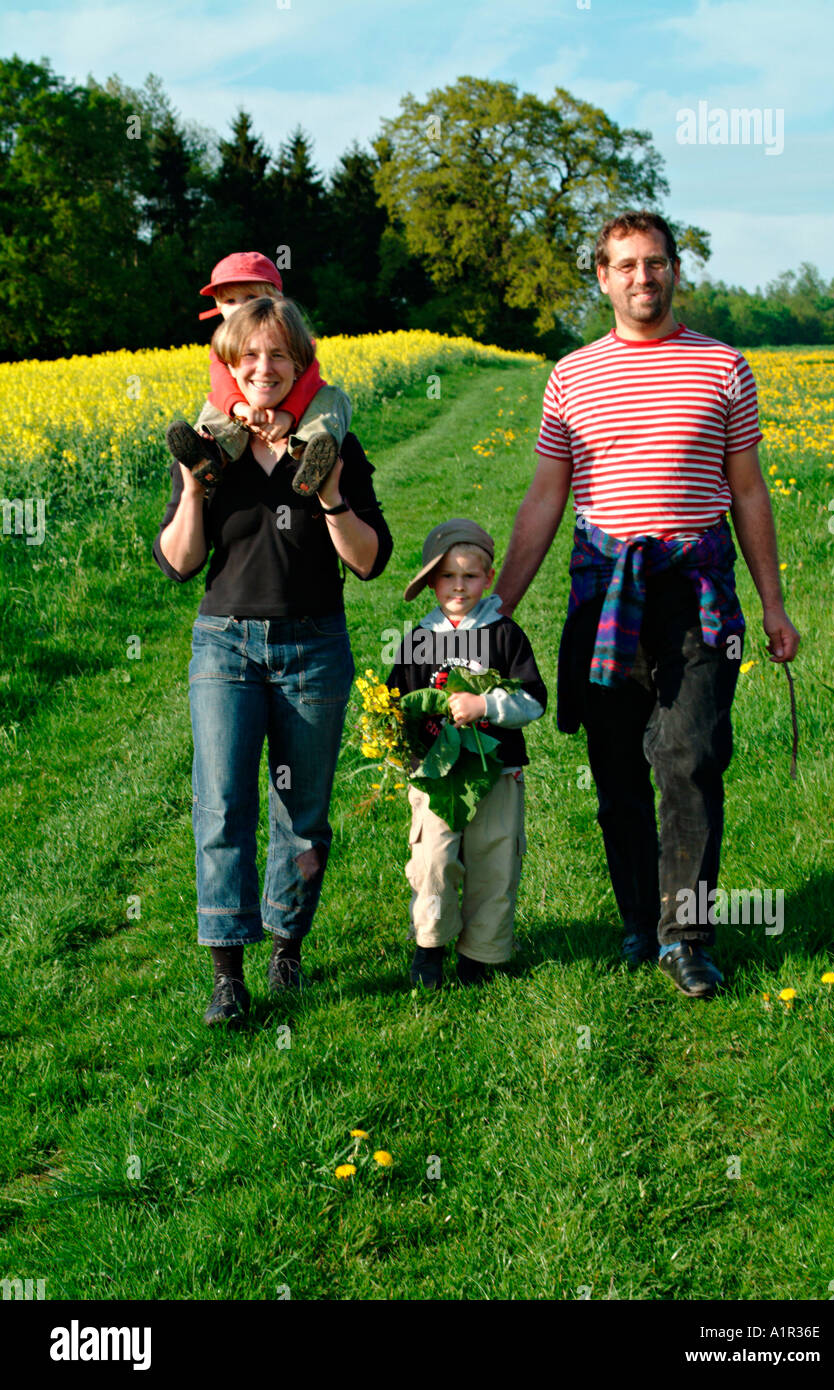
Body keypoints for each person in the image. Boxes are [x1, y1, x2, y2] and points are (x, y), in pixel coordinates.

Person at [494, 210, 800, 999]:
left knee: (690, 760)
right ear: (602, 276)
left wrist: (773, 605)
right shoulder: (570, 375)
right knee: (619, 772)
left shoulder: (725, 367)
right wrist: (496, 606)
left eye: (656, 262)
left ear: (674, 271)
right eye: (626, 265)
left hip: (697, 593)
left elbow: (748, 489)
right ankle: (639, 921)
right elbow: (545, 499)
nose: (643, 277)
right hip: (605, 594)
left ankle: (685, 938)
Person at [152, 296, 392, 1026]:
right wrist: (194, 486)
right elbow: (180, 563)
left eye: (278, 356)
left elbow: (371, 561)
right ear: (229, 363)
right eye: (249, 355)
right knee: (222, 803)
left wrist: (328, 494)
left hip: (313, 643)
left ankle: (286, 945)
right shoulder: (209, 447)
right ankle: (228, 973)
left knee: (304, 813)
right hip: (224, 641)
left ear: (299, 366)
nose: (263, 367)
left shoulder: (332, 444)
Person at [389, 520, 547, 988]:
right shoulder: (418, 638)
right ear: (431, 583)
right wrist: (401, 746)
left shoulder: (504, 634)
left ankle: (481, 954)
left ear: (489, 578)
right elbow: (398, 703)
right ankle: (430, 949)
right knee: (433, 860)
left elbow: (533, 700)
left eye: (470, 576)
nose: (459, 586)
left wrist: (485, 705)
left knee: (494, 861)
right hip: (436, 777)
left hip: (497, 773)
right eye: (447, 577)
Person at [167, 251, 351, 499]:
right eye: (230, 301)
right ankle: (210, 454)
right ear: (218, 307)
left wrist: (288, 415)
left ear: (275, 299)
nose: (240, 308)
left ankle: (312, 456)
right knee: (216, 406)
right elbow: (221, 383)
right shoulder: (222, 346)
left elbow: (309, 380)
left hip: (298, 410)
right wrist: (240, 407)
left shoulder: (294, 335)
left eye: (251, 298)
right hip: (243, 411)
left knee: (332, 398)